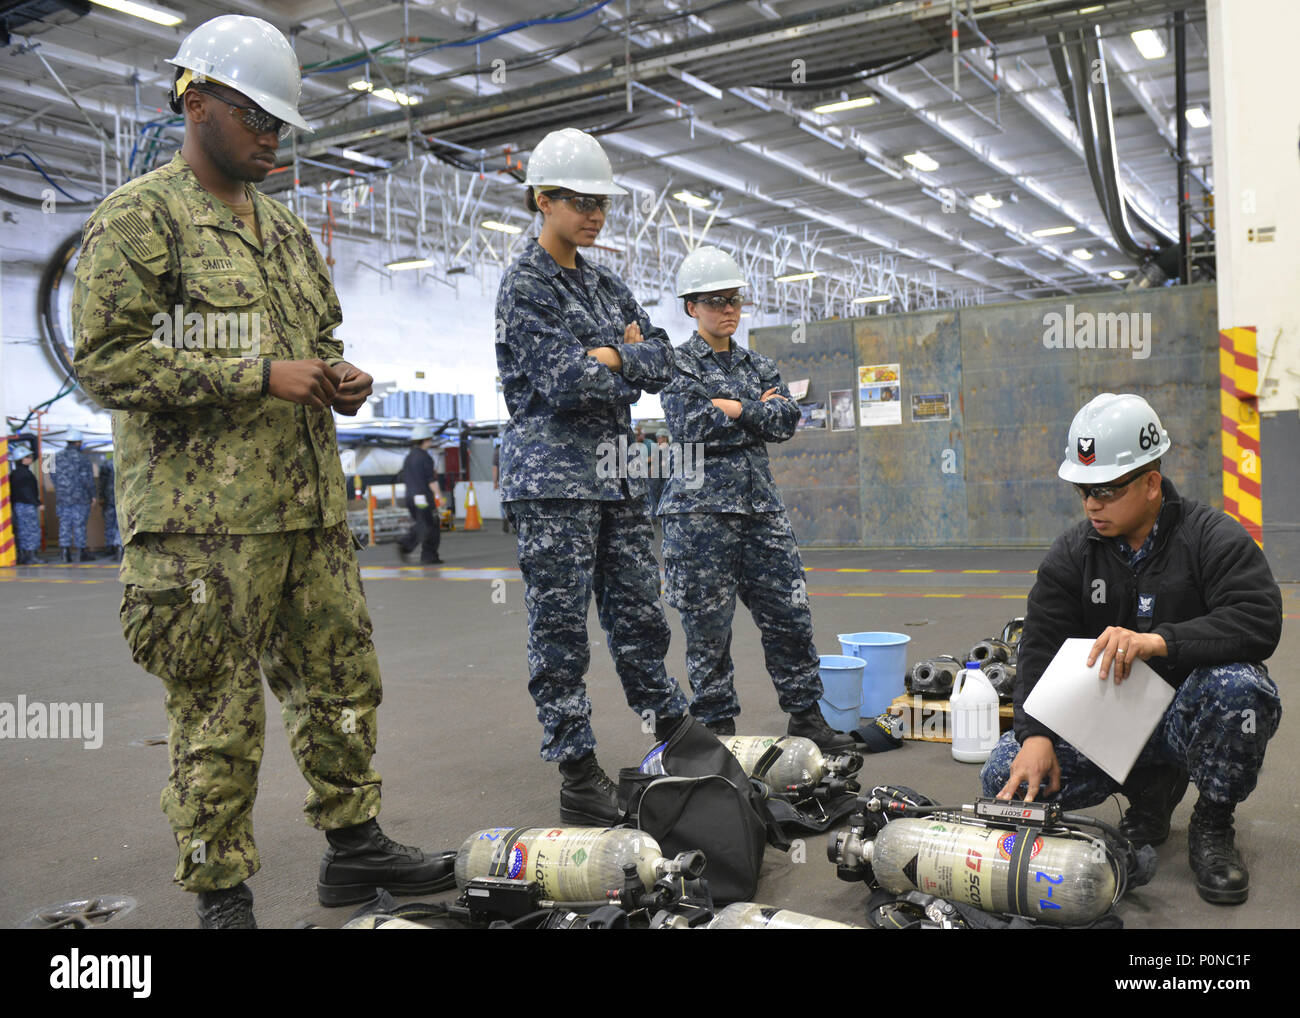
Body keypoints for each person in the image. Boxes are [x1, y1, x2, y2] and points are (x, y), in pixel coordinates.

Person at [72, 14, 455, 929]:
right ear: (193, 103)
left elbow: (315, 345)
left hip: (306, 513)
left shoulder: (284, 233)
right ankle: (220, 893)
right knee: (217, 711)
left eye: (280, 123)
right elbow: (105, 362)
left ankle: (354, 847)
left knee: (343, 684)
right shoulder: (138, 221)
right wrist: (255, 375)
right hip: (203, 531)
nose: (270, 137)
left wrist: (341, 378)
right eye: (254, 117)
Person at [981, 393, 1282, 905]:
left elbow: (1259, 620)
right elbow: (1039, 648)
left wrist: (1160, 641)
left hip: (1187, 716)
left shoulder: (1210, 537)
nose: (1092, 503)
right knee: (1002, 778)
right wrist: (1034, 735)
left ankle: (1212, 821)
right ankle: (1150, 791)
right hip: (1111, 727)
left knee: (1241, 689)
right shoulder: (1072, 555)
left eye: (1106, 490)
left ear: (1150, 483)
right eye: (1082, 490)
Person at [496, 127, 689, 824]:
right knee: (561, 630)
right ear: (542, 200)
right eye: (579, 201)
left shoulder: (608, 282)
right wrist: (618, 357)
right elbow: (563, 380)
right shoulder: (524, 284)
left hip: (616, 475)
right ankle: (577, 769)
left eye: (602, 201)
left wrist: (615, 358)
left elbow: (664, 360)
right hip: (552, 483)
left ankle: (670, 731)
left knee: (640, 612)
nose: (595, 214)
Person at [659, 246, 853, 751]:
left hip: (761, 513)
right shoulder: (676, 364)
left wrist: (731, 407)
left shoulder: (758, 364)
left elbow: (786, 421)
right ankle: (717, 732)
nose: (729, 309)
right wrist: (753, 412)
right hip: (699, 517)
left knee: (790, 615)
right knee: (708, 631)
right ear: (691, 307)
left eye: (735, 299)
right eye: (716, 300)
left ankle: (807, 718)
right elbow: (689, 426)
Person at [397, 424, 443, 564]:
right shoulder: (425, 457)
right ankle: (408, 545)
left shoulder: (409, 457)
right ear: (426, 440)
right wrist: (440, 496)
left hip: (410, 497)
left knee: (426, 523)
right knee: (428, 524)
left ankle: (428, 555)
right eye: (429, 439)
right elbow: (431, 481)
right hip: (422, 497)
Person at [54, 429, 96, 563]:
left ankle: (64, 554)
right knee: (79, 525)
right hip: (80, 497)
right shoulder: (83, 459)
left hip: (62, 498)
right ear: (78, 443)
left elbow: (53, 477)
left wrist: (61, 489)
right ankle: (81, 553)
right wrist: (93, 495)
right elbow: (88, 480)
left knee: (64, 524)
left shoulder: (56, 457)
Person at [9, 444, 42, 565]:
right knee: (32, 531)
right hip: (27, 506)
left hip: (18, 506)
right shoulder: (25, 474)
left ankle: (23, 556)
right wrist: (37, 503)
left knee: (22, 531)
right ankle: (32, 556)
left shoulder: (15, 473)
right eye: (28, 457)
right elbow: (27, 491)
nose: (31, 458)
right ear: (22, 459)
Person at [97, 452, 122, 561]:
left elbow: (101, 483)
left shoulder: (106, 464)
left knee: (109, 523)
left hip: (109, 498)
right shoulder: (128, 460)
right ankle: (120, 550)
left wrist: (101, 496)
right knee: (121, 524)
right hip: (124, 498)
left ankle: (110, 548)